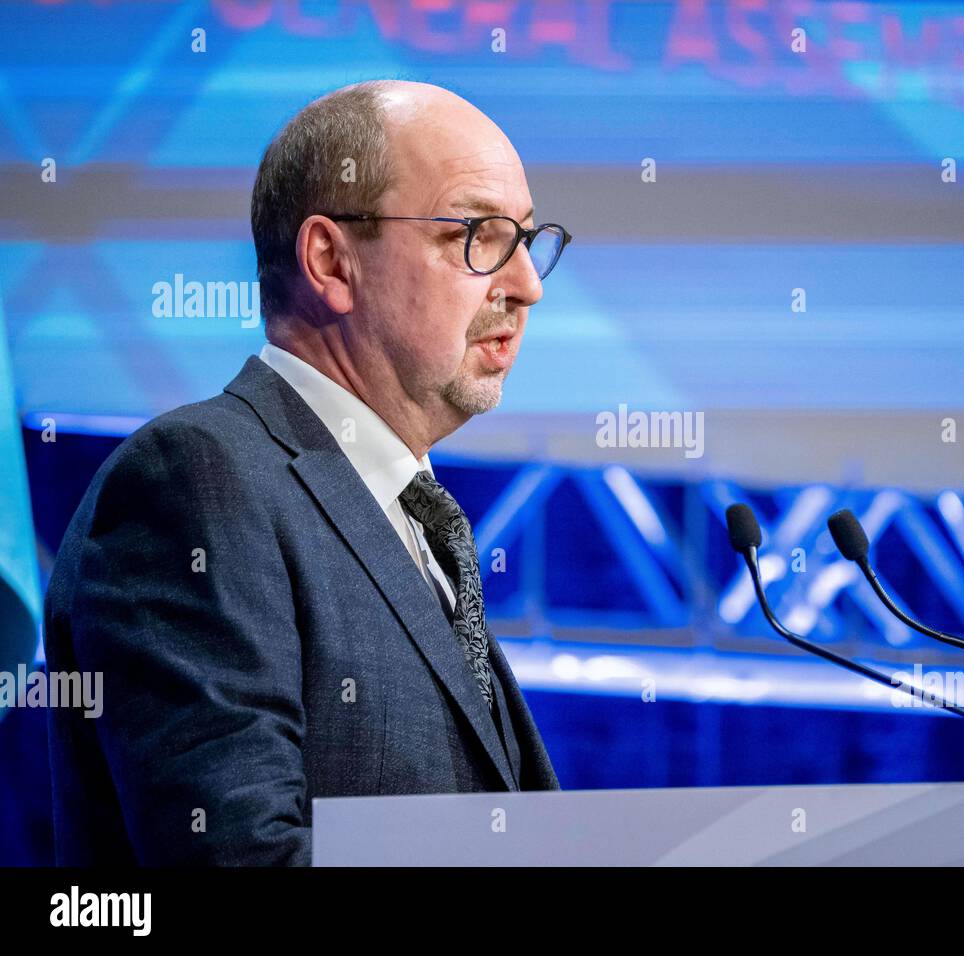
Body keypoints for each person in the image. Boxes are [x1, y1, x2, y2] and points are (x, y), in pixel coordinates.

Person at [43, 80, 572, 865]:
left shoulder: (414, 519)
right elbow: (239, 857)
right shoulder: (195, 481)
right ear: (331, 259)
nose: (526, 285)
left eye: (528, 240)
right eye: (477, 234)